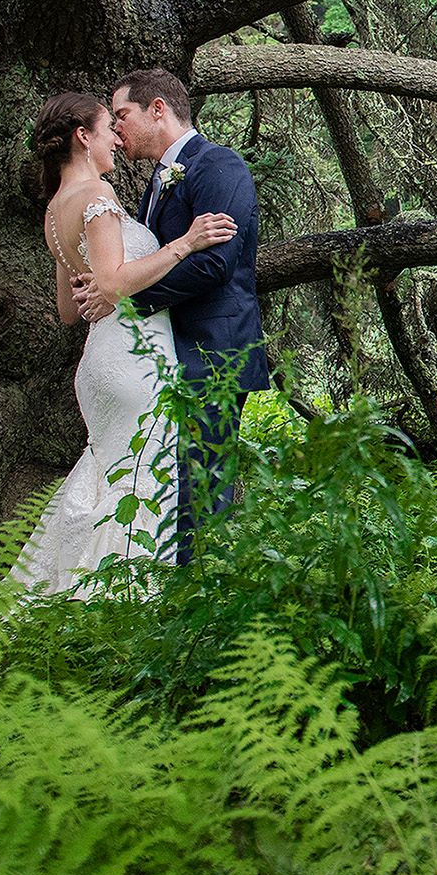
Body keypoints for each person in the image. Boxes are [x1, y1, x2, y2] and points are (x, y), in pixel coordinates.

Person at [17, 92, 237, 595]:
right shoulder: (96, 194)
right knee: (142, 482)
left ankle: (75, 593)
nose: (117, 137)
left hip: (99, 363)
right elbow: (114, 283)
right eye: (107, 128)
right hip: (132, 361)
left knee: (113, 478)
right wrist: (186, 242)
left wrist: (103, 283)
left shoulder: (55, 211)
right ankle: (123, 606)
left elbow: (71, 309)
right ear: (83, 137)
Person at [74, 68, 269, 563]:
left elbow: (214, 263)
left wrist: (125, 301)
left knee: (201, 490)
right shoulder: (159, 181)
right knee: (170, 487)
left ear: (157, 109)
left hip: (213, 354)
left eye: (122, 116)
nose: (116, 130)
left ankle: (200, 603)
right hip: (172, 356)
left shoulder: (219, 166)